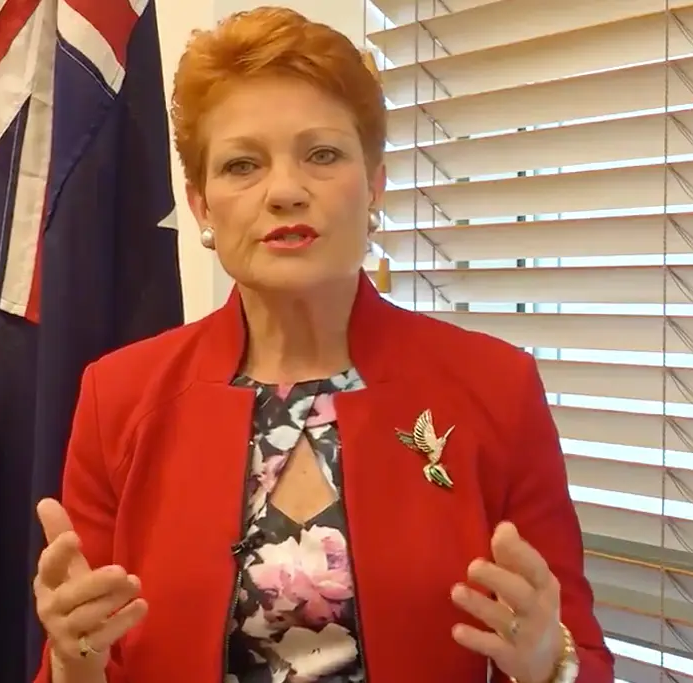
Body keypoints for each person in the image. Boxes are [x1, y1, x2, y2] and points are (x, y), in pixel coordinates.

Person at [31, 6, 614, 683]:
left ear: (375, 185)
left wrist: (547, 664)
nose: (285, 190)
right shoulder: (118, 396)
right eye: (243, 164)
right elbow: (84, 655)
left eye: (323, 154)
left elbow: (581, 656)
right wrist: (73, 659)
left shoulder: (496, 386)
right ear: (201, 205)